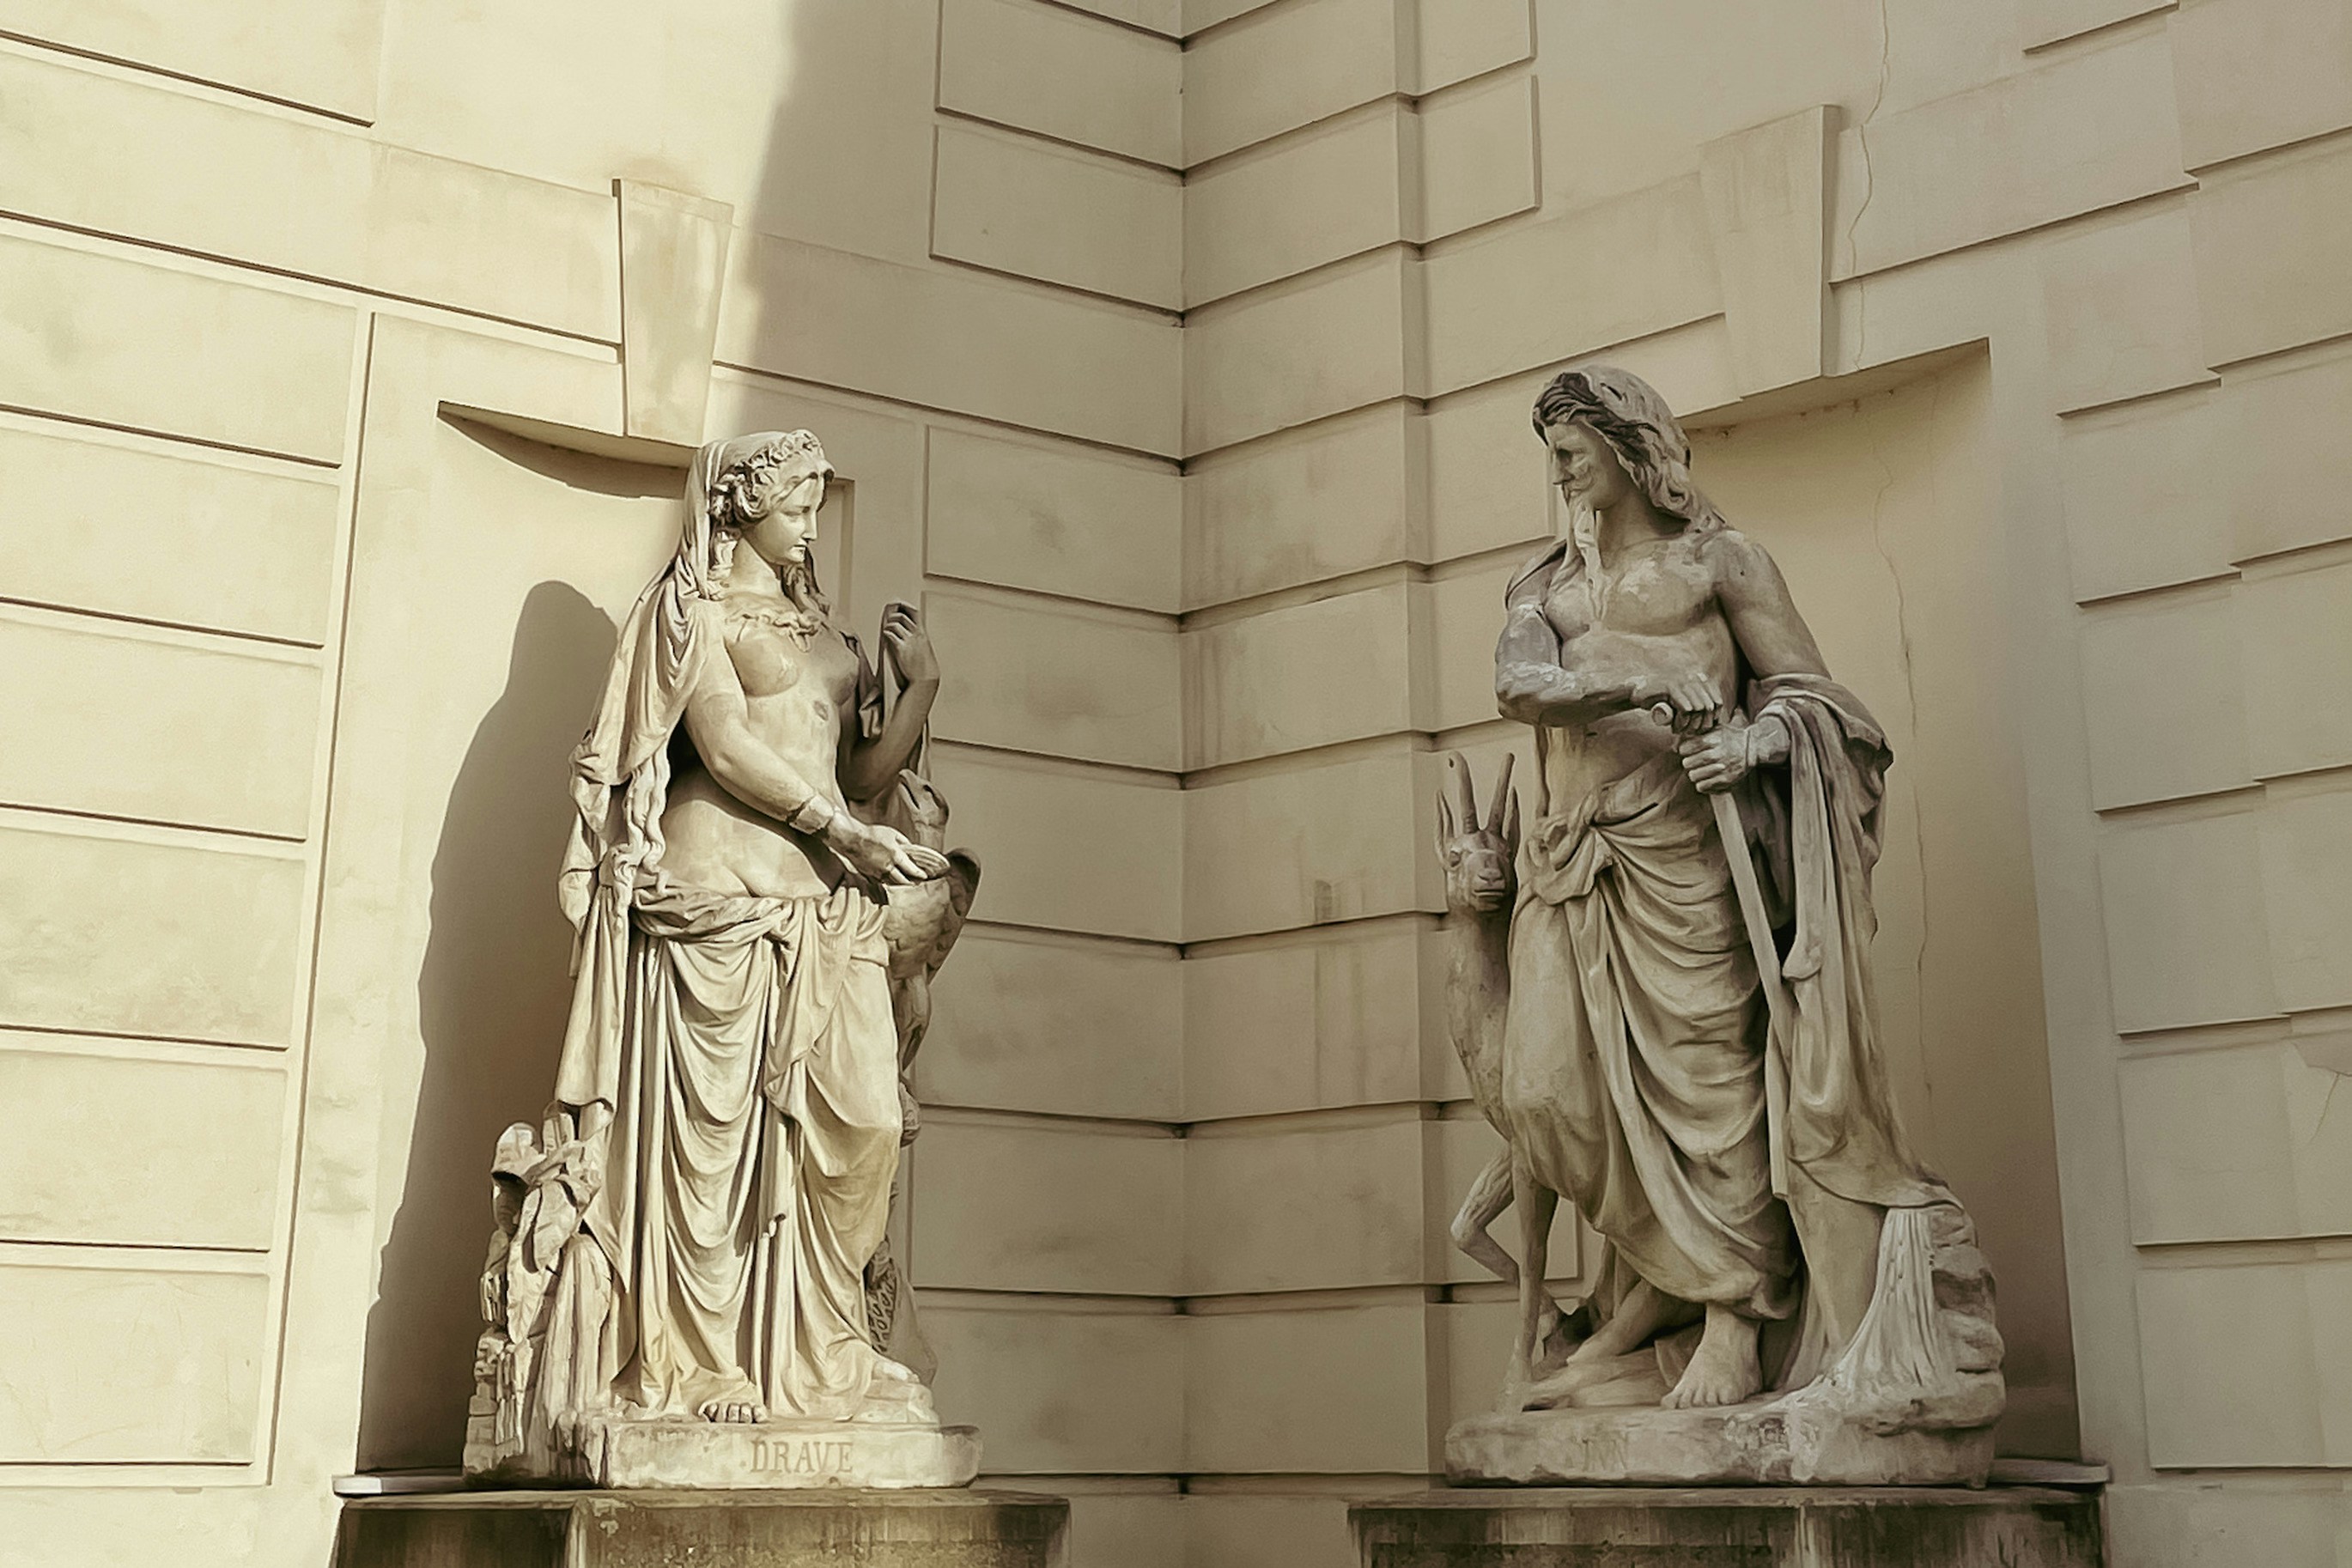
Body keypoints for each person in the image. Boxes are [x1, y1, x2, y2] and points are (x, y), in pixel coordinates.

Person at [469, 430, 951, 1474]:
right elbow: (726, 747)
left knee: (864, 1122)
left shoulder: (820, 627)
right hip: (715, 904)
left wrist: (914, 695)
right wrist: (836, 828)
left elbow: (861, 774)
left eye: (820, 505)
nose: (814, 526)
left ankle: (828, 1350)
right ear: (739, 507)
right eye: (798, 506)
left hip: (825, 913)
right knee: (715, 1150)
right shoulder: (687, 614)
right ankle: (697, 1362)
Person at [1492, 367, 1960, 1414]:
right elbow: (1518, 684)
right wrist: (1641, 679)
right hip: (1569, 863)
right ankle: (1656, 1292)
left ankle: (1736, 1314)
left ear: (1630, 446)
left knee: (1710, 1095)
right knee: (1545, 1094)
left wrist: (1756, 739)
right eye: (1554, 450)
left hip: (1685, 858)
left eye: (1575, 445)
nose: (1561, 467)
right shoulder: (1540, 589)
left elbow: (1831, 708)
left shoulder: (1721, 561)